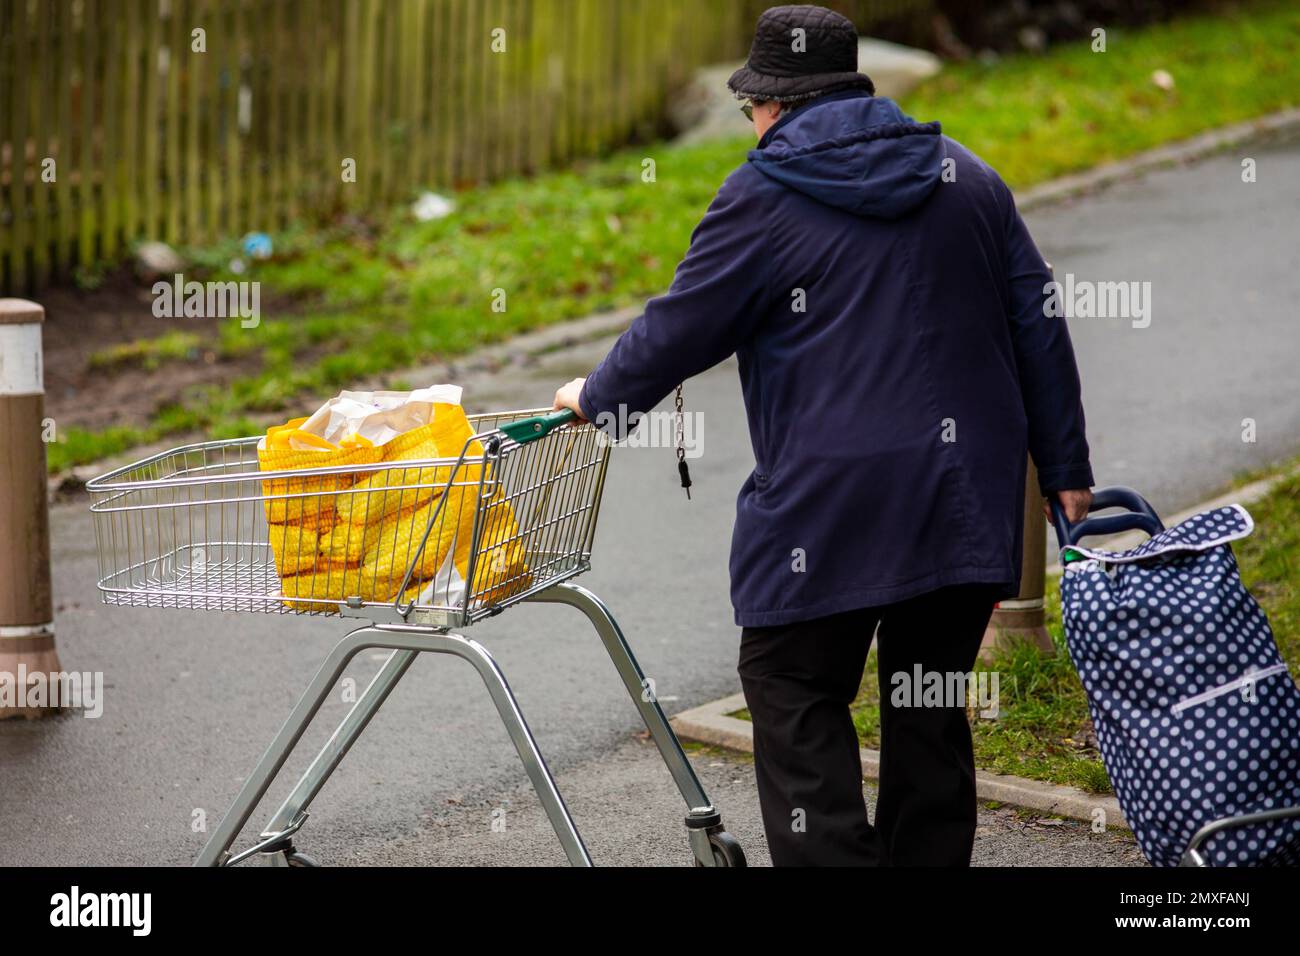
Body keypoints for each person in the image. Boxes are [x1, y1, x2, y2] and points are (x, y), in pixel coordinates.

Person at [552, 4, 1093, 866]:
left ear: (773, 105)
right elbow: (1040, 321)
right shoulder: (970, 179)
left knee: (792, 683)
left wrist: (598, 399)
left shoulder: (761, 193)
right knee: (926, 703)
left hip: (830, 507)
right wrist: (1065, 468)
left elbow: (685, 323)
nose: (751, 125)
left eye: (750, 109)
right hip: (966, 501)